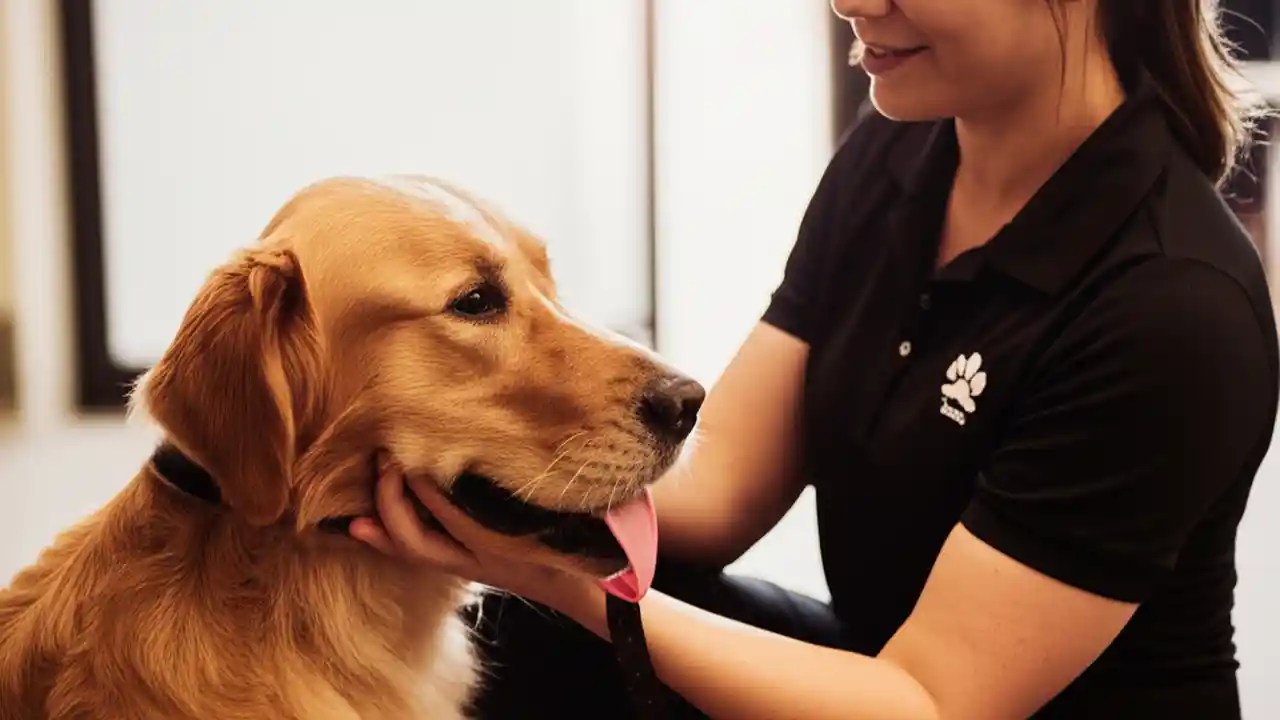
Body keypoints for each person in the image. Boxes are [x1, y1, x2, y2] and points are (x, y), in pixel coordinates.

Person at [350, 1, 1279, 717]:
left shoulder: (1171, 305)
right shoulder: (902, 146)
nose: (850, 3)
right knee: (530, 628)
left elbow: (930, 702)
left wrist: (557, 579)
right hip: (876, 670)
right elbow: (717, 491)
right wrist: (458, 468)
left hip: (921, 700)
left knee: (566, 604)